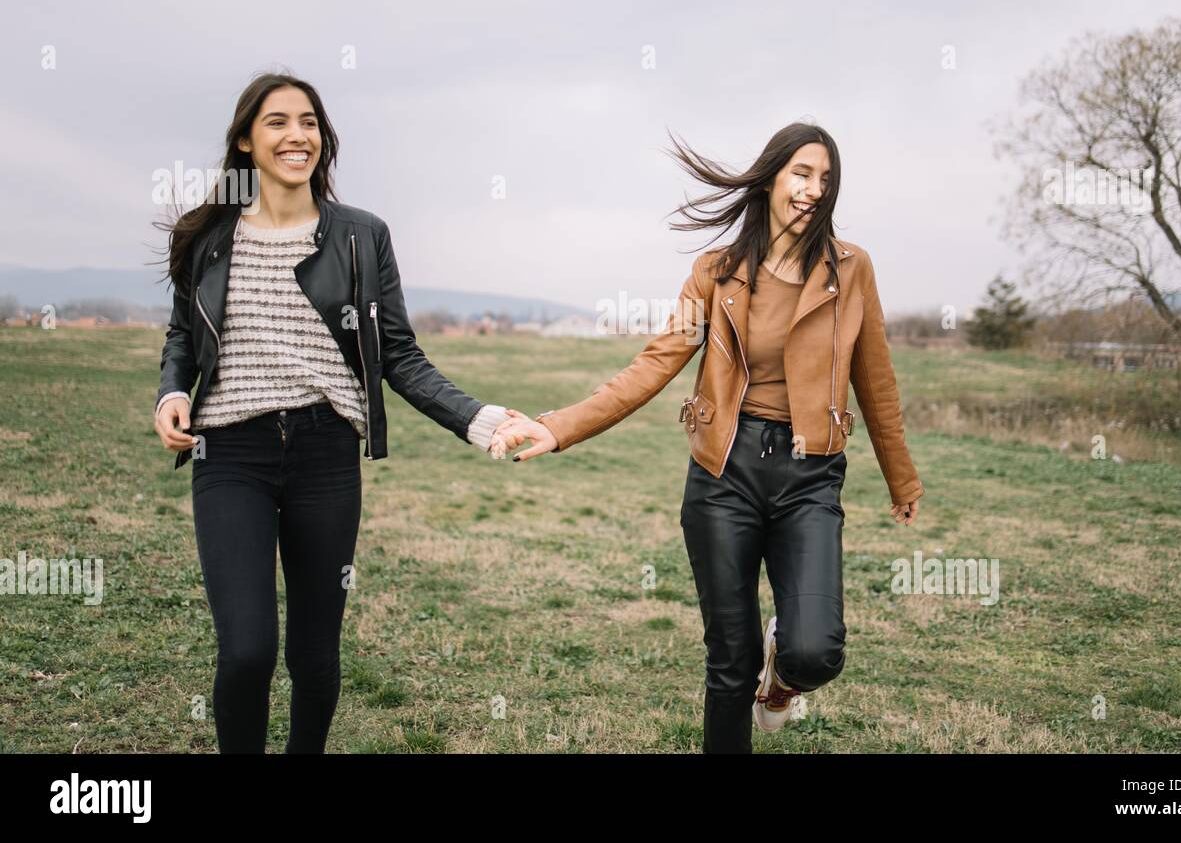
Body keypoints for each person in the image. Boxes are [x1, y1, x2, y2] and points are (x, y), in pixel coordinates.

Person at [494, 122, 925, 753]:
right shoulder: (716, 272)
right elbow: (655, 362)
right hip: (725, 476)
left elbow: (876, 379)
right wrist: (557, 426)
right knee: (729, 662)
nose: (813, 190)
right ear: (772, 176)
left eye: (826, 179)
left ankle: (781, 678)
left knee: (817, 652)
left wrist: (901, 476)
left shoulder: (851, 270)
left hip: (810, 478)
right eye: (802, 174)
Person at [152, 72, 512, 752]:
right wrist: (172, 393)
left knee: (314, 658)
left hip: (325, 455)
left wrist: (480, 419)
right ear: (245, 141)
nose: (297, 135)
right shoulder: (209, 236)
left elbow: (398, 355)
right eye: (278, 122)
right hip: (229, 454)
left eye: (309, 122)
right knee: (248, 651)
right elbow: (182, 336)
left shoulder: (360, 236)